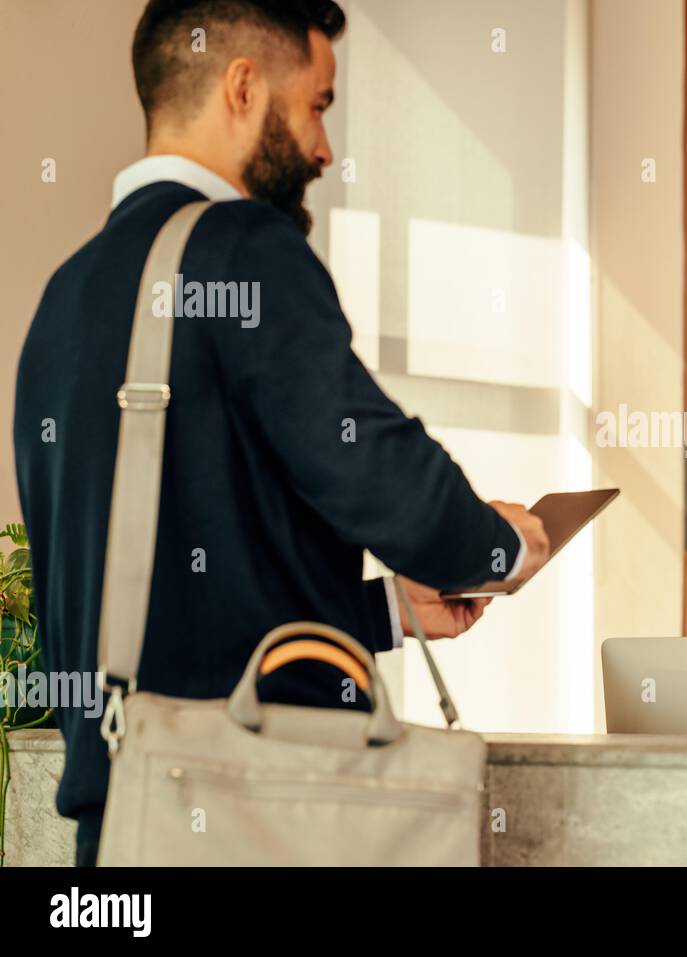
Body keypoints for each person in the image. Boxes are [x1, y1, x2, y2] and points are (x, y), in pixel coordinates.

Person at [12, 0, 549, 866]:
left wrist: (385, 610)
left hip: (118, 839)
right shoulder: (242, 249)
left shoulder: (63, 302)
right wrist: (504, 545)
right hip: (251, 825)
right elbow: (384, 475)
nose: (325, 150)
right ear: (243, 86)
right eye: (318, 106)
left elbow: (166, 600)